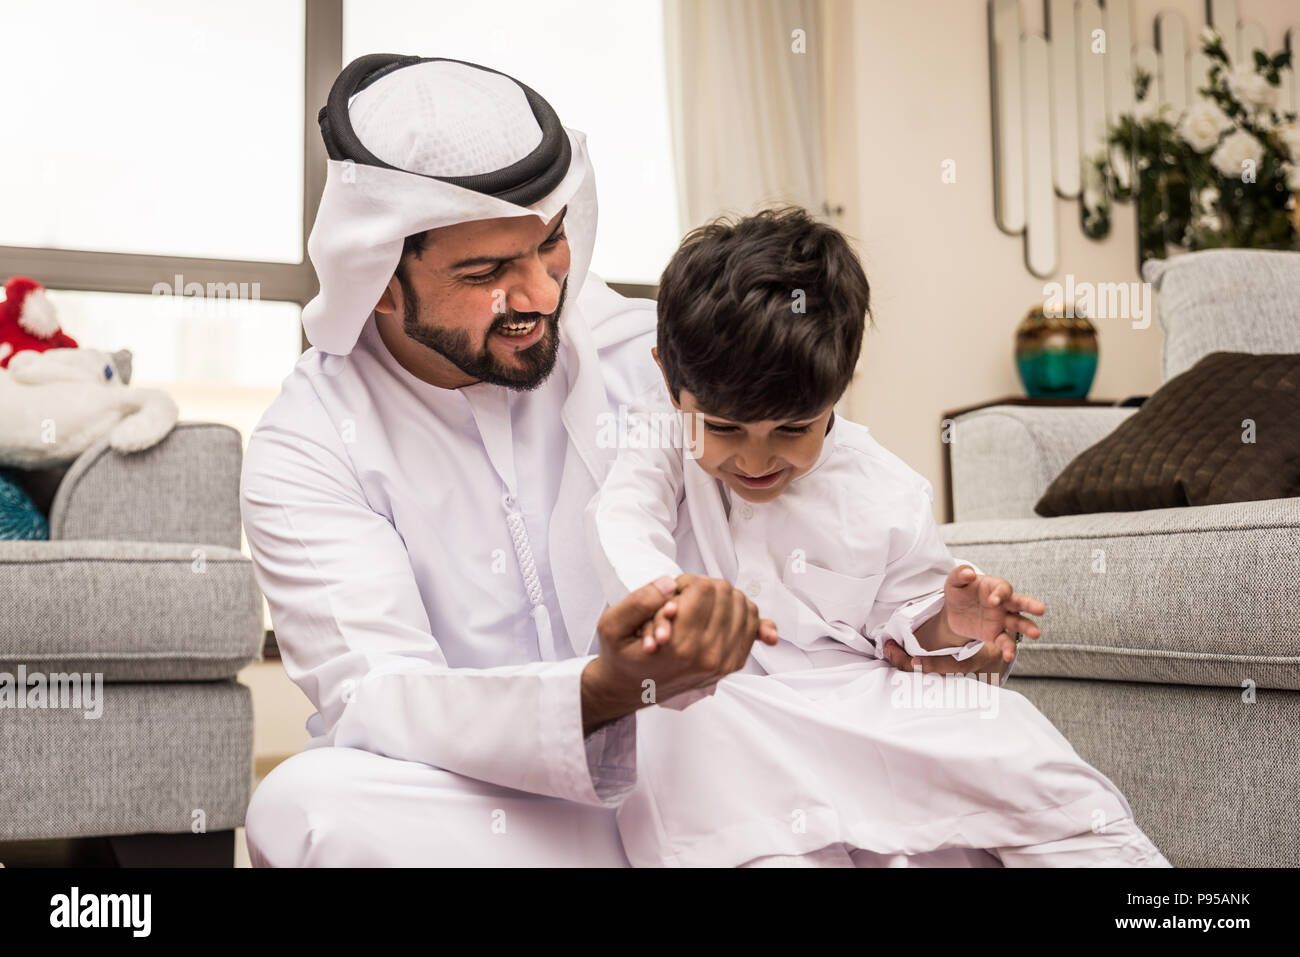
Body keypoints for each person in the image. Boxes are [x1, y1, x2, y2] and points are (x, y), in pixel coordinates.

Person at [240, 55, 1017, 867]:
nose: (541, 294)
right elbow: (378, 694)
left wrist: (935, 635)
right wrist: (601, 692)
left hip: (707, 778)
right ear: (383, 283)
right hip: (495, 811)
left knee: (961, 795)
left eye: (549, 245)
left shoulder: (650, 352)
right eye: (488, 273)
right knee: (307, 809)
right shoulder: (310, 441)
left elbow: (830, 510)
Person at [585, 208, 1172, 867]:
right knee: (690, 756)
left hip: (859, 707)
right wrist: (670, 604)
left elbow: (909, 621)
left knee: (1016, 741)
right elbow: (625, 520)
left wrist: (952, 620)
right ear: (669, 379)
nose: (754, 461)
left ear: (840, 384)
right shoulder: (660, 443)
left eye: (791, 430)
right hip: (727, 709)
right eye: (724, 430)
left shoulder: (884, 487)